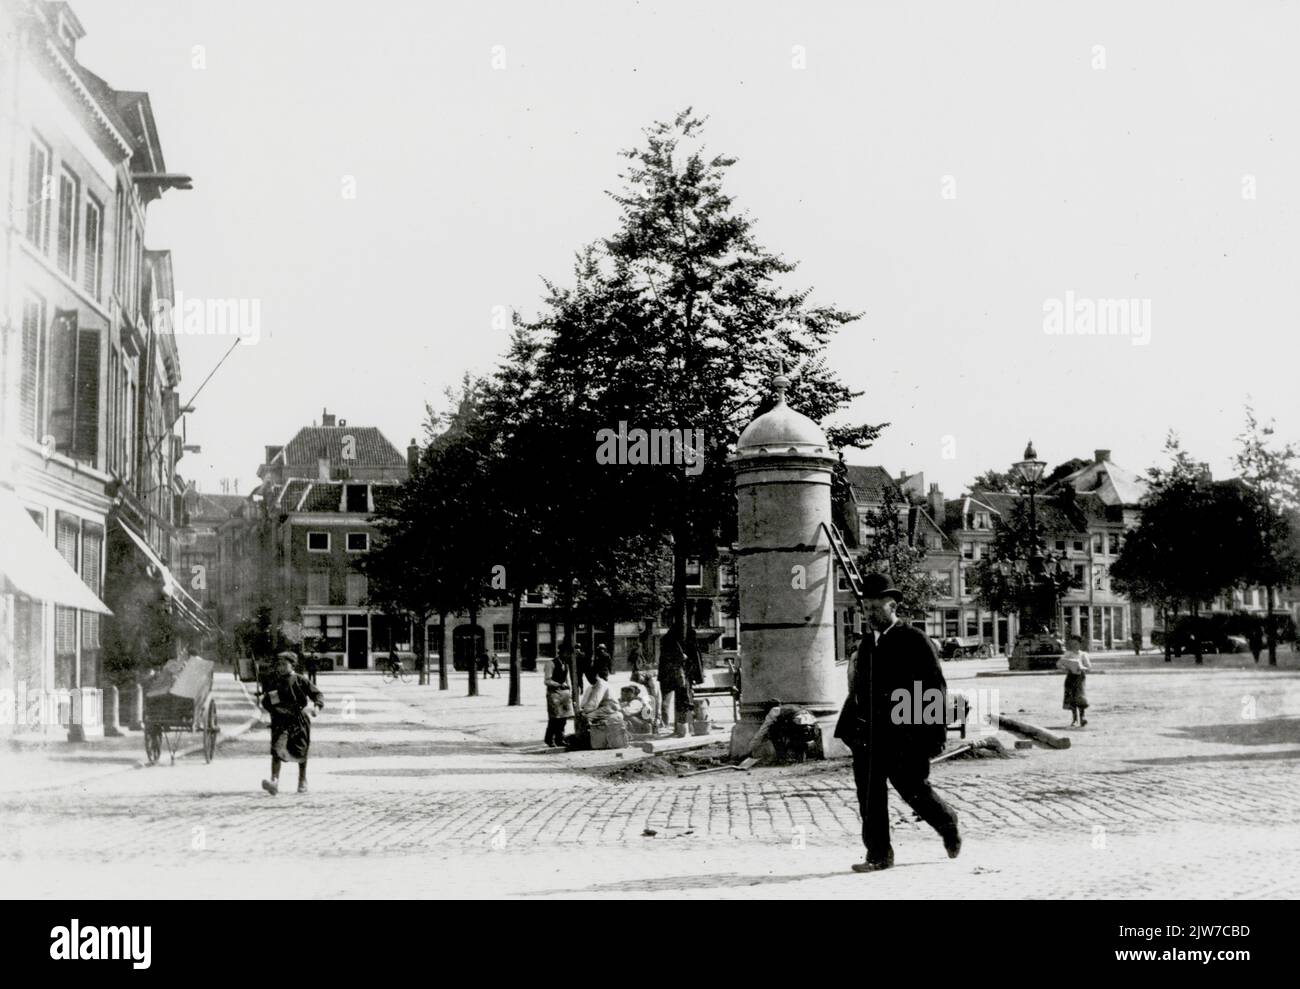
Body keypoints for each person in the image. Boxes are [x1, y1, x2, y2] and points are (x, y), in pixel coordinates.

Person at [833, 573, 960, 873]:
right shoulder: (866, 645)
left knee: (913, 789)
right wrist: (851, 725)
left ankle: (947, 823)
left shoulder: (914, 640)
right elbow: (858, 689)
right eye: (866, 608)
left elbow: (934, 688)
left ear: (893, 606)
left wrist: (935, 733)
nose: (870, 614)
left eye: (876, 608)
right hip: (868, 735)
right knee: (869, 796)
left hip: (905, 734)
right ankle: (878, 855)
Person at [261, 651, 324, 795]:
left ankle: (302, 779)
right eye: (279, 665)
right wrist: (273, 709)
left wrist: (316, 706)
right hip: (280, 721)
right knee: (277, 749)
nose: (281, 668)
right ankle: (274, 781)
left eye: (285, 664)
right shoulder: (274, 682)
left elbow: (317, 694)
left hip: (298, 720)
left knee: (301, 750)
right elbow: (267, 701)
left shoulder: (301, 680)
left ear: (293, 665)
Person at [1058, 634, 1092, 727]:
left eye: (1076, 644)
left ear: (1080, 644)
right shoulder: (1067, 654)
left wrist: (1082, 667)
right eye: (1072, 644)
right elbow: (1059, 664)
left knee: (1080, 697)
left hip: (1080, 677)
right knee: (1071, 697)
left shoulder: (1083, 655)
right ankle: (1074, 719)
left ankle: (1082, 717)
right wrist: (1065, 667)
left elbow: (1089, 667)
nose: (1074, 646)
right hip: (1070, 677)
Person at [544, 657, 573, 747]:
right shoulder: (551, 663)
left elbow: (568, 679)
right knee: (555, 717)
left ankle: (559, 738)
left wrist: (569, 690)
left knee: (563, 718)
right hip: (554, 693)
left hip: (564, 694)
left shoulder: (566, 664)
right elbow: (547, 680)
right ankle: (549, 739)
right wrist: (558, 684)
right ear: (562, 653)